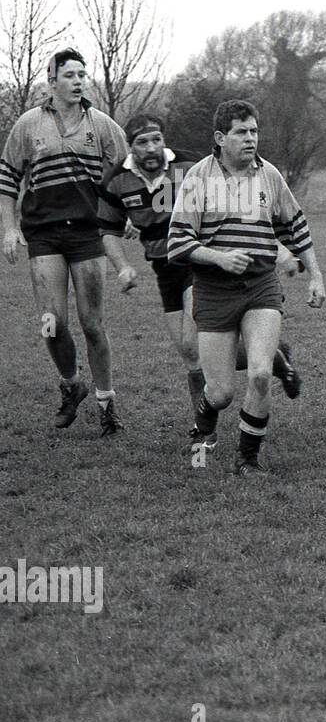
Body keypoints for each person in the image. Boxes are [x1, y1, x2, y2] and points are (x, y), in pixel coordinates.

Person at [99, 113, 302, 412]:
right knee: (189, 352)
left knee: (193, 344)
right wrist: (123, 267)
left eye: (157, 140)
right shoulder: (117, 180)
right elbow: (107, 230)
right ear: (130, 146)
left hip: (201, 262)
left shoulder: (191, 167)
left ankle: (203, 427)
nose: (152, 147)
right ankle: (276, 357)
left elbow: (241, 201)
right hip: (163, 267)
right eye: (142, 142)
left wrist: (282, 250)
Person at [167, 100, 326, 475]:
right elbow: (177, 243)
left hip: (260, 287)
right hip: (213, 291)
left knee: (257, 373)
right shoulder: (197, 179)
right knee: (220, 392)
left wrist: (316, 275)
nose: (250, 138)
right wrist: (218, 258)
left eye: (254, 131)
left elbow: (296, 225)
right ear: (221, 138)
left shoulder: (268, 174)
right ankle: (205, 413)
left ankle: (247, 459)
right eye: (241, 132)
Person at [0, 48, 129, 435]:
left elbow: (128, 171)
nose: (78, 81)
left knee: (92, 325)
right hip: (43, 235)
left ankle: (107, 405)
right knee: (50, 323)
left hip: (87, 235)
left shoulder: (101, 124)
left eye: (82, 75)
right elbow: (7, 177)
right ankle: (72, 384)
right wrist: (9, 227)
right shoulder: (28, 124)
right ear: (51, 81)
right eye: (69, 75)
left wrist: (127, 215)